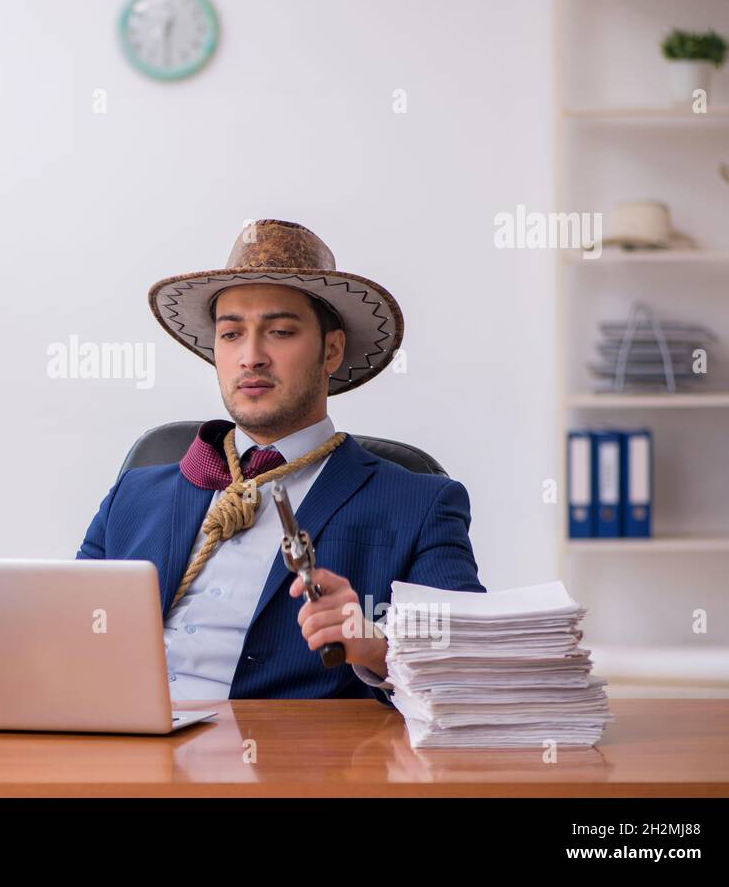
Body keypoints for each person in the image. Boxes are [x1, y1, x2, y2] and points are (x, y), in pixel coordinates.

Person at [76, 219, 485, 705]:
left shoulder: (420, 503)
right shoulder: (133, 494)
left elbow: (469, 668)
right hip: (124, 742)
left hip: (288, 750)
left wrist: (376, 646)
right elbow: (69, 632)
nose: (251, 357)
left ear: (331, 350)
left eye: (281, 332)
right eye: (231, 334)